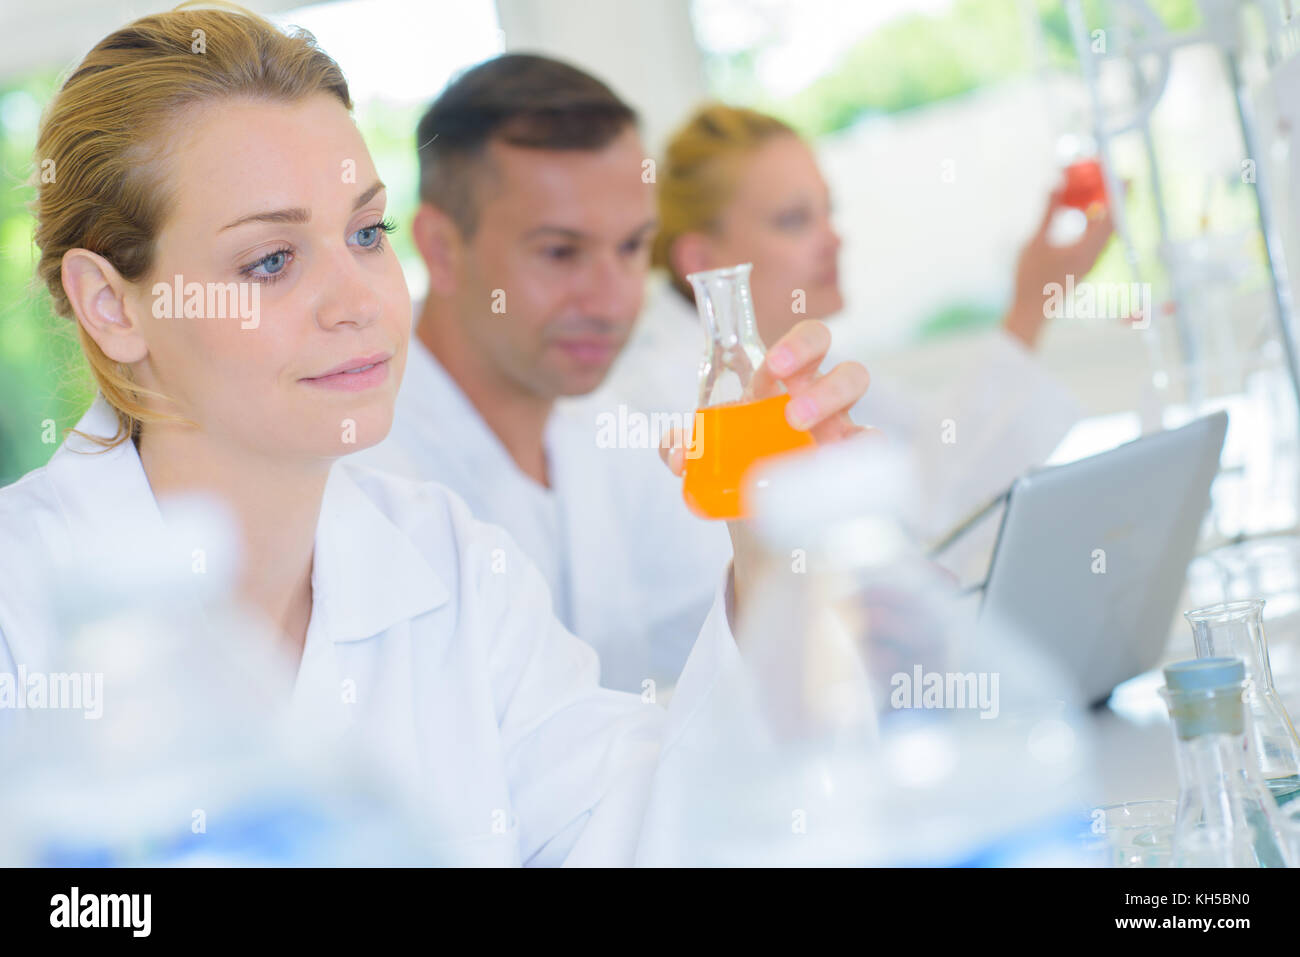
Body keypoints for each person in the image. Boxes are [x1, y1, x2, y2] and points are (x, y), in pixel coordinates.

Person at [0, 5, 869, 865]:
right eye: (271, 259)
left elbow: (664, 834)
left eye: (365, 233)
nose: (361, 301)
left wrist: (769, 563)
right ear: (111, 305)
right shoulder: (19, 610)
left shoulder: (452, 567)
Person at [353, 56, 868, 693]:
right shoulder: (362, 475)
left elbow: (722, 668)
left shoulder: (612, 428)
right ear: (440, 248)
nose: (612, 299)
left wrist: (783, 542)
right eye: (561, 252)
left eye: (630, 248)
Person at [589, 103, 1115, 548]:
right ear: (700, 257)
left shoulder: (804, 360)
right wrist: (1029, 309)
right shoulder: (664, 409)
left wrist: (1035, 302)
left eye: (828, 212)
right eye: (794, 220)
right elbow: (919, 527)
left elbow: (936, 470)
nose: (834, 239)